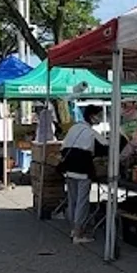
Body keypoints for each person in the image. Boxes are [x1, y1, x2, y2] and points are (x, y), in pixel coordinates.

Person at [59, 105, 101, 244]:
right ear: (92, 116)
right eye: (98, 115)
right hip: (83, 171)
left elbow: (63, 148)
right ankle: (78, 233)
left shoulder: (74, 128)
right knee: (82, 202)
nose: (99, 118)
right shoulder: (90, 132)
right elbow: (102, 147)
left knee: (72, 200)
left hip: (69, 170)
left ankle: (73, 228)